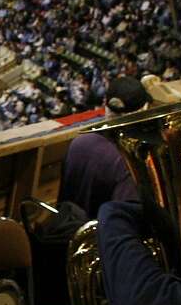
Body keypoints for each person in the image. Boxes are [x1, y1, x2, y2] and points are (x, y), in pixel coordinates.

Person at [58, 76, 149, 218]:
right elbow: (122, 220)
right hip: (100, 235)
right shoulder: (126, 162)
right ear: (143, 110)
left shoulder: (79, 141)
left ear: (105, 103)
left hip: (68, 227)